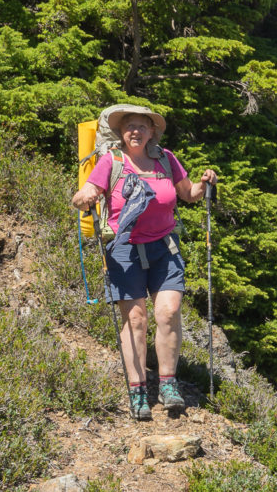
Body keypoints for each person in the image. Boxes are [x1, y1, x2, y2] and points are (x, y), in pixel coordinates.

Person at [70, 106, 217, 420]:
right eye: (129, 127)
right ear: (121, 133)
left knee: (169, 311)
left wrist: (205, 184)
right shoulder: (111, 162)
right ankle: (137, 390)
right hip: (124, 251)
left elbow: (189, 194)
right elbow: (87, 193)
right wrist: (84, 198)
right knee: (135, 320)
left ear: (152, 132)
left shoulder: (166, 160)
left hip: (164, 247)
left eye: (141, 127)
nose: (134, 132)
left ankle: (167, 385)